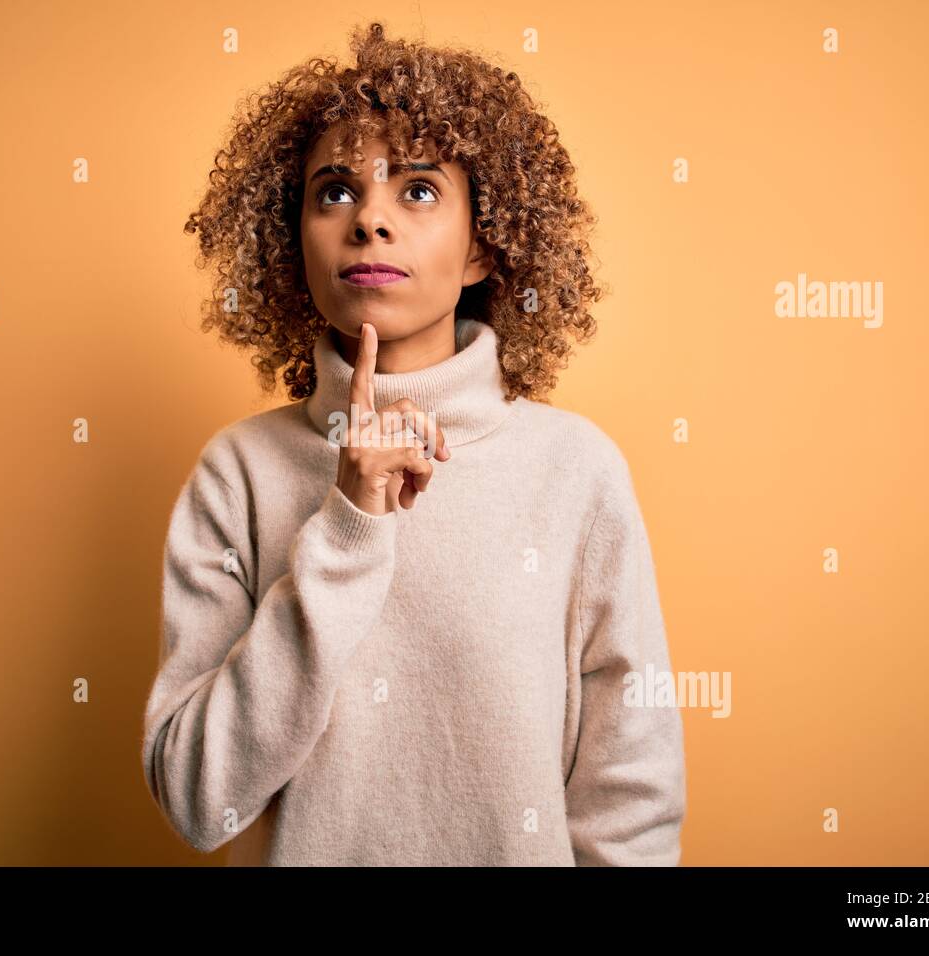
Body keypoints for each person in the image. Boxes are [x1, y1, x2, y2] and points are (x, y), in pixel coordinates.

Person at [141, 21, 686, 865]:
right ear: (294, 242)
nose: (371, 222)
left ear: (483, 246)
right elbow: (196, 796)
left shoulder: (575, 471)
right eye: (335, 191)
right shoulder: (238, 475)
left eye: (420, 191)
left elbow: (632, 787)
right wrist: (349, 527)